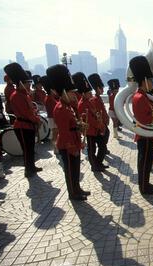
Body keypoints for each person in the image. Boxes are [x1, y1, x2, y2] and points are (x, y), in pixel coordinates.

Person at [48, 65, 90, 201]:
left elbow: (72, 124)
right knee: (70, 171)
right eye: (72, 92)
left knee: (75, 169)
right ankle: (73, 193)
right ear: (65, 92)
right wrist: (72, 147)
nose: (74, 94)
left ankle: (77, 188)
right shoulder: (60, 108)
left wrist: (80, 125)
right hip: (67, 145)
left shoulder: (67, 107)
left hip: (73, 141)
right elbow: (64, 131)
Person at [4, 63, 42, 178]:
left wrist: (35, 117)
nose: (29, 85)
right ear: (20, 83)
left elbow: (31, 110)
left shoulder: (24, 94)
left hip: (28, 125)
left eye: (29, 83)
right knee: (26, 149)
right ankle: (28, 169)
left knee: (31, 148)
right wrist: (37, 120)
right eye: (27, 83)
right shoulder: (16, 96)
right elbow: (26, 113)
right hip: (22, 125)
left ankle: (31, 166)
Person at [130, 56, 153, 195]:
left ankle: (145, 183)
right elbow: (145, 119)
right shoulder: (140, 97)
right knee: (144, 163)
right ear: (144, 81)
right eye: (150, 80)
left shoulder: (143, 96)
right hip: (144, 135)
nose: (152, 82)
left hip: (147, 134)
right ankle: (143, 186)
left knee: (147, 162)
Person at [74, 72, 107, 172]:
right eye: (88, 93)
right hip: (90, 131)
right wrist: (99, 125)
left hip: (96, 129)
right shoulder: (82, 104)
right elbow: (89, 119)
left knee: (102, 147)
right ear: (83, 93)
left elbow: (96, 114)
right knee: (92, 150)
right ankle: (94, 166)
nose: (90, 94)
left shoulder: (89, 101)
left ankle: (98, 163)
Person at [89, 74, 110, 158]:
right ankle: (103, 150)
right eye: (101, 88)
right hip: (100, 123)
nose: (102, 90)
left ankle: (104, 149)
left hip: (103, 122)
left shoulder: (98, 98)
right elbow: (97, 113)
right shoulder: (94, 99)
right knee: (104, 137)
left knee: (106, 135)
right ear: (98, 88)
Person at [40, 76, 59, 153]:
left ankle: (56, 147)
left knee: (56, 133)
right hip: (53, 118)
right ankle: (55, 148)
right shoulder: (49, 98)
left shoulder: (50, 97)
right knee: (55, 134)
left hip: (53, 118)